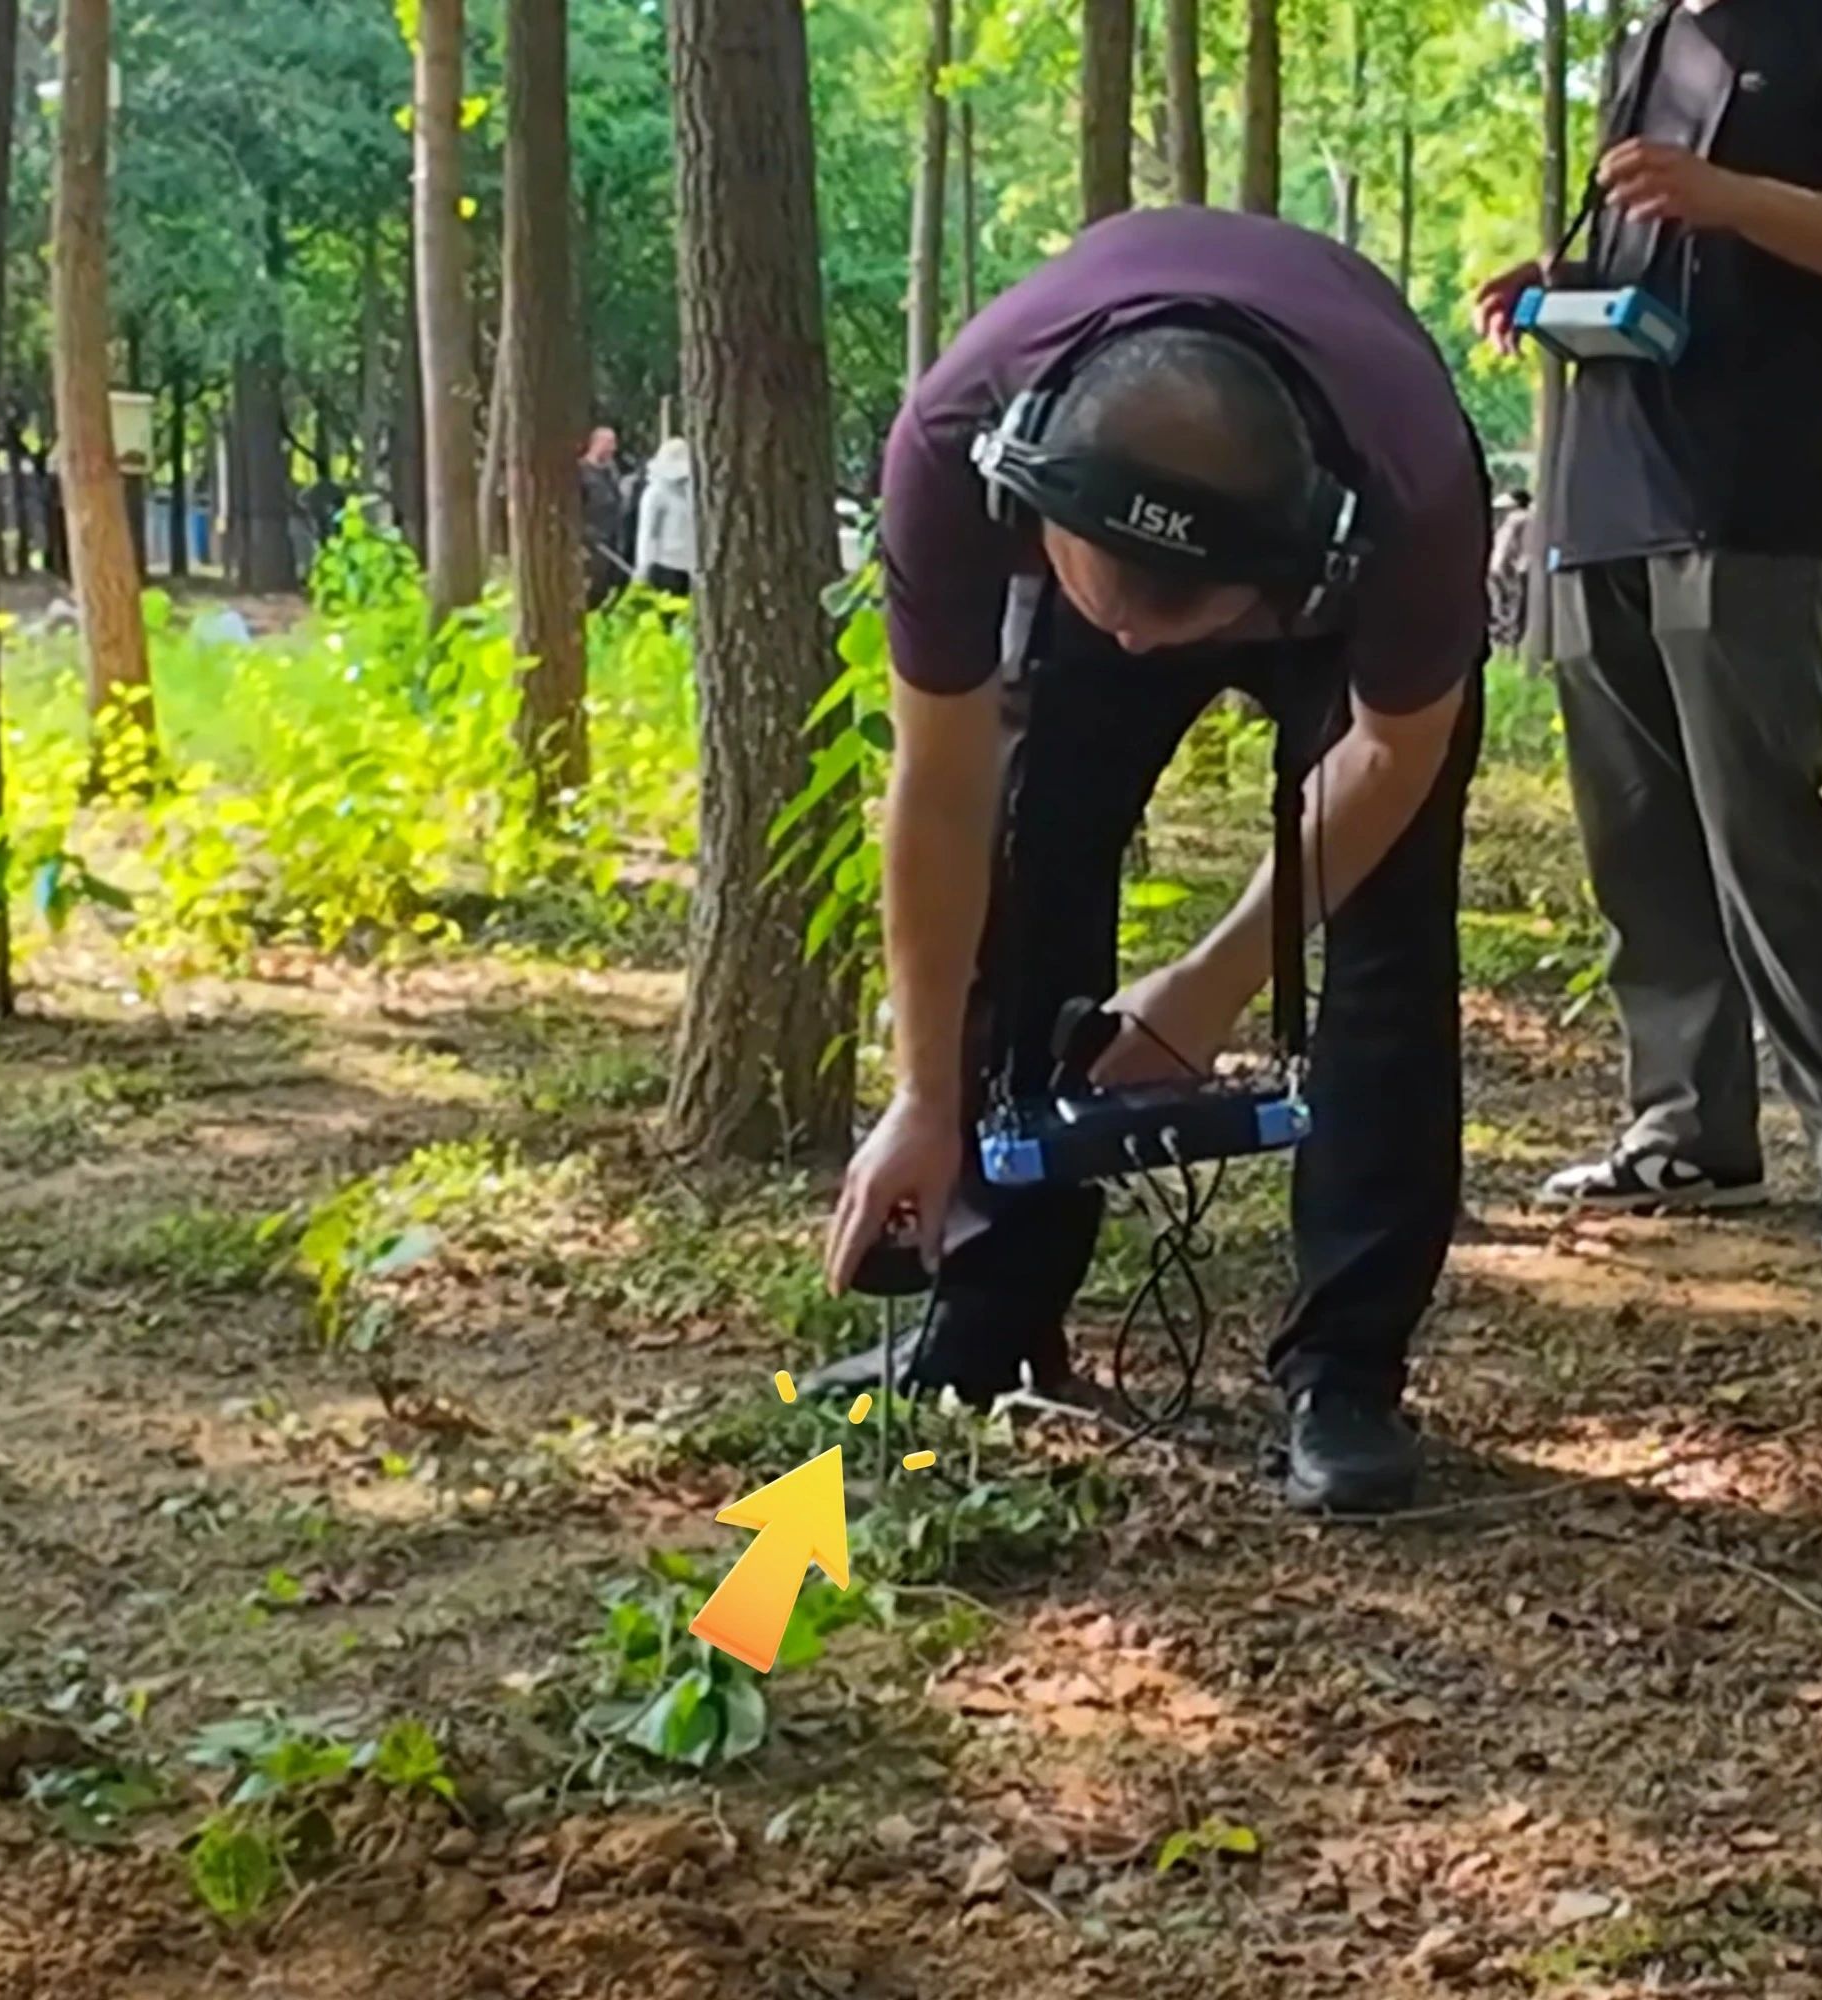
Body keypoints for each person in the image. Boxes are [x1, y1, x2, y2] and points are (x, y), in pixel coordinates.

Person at [818, 206, 1490, 1516]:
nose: (1138, 645)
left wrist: (1210, 984)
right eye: (1109, 602)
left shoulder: (1410, 491)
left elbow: (1390, 752)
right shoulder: (952, 443)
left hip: (1327, 570)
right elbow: (941, 791)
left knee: (1386, 932)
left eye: (1178, 619)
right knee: (1027, 860)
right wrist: (920, 1095)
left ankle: (1346, 1370)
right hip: (1117, 518)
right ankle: (990, 1308)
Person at [1472, 0, 1822, 1261]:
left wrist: (1731, 197)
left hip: (1745, 497)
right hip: (1597, 491)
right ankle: (1686, 1128)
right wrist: (1558, 289)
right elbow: (1663, 250)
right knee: (1635, 833)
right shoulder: (1648, 40)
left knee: (1763, 830)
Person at [633, 434, 696, 596]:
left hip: (689, 567)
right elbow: (647, 533)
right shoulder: (655, 494)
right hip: (664, 566)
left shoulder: (690, 492)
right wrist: (643, 566)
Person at [577, 425, 632, 607]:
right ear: (595, 443)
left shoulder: (611, 473)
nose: (613, 448)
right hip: (592, 543)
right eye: (608, 443)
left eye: (614, 443)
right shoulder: (581, 472)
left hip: (612, 540)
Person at [1486, 488, 1534, 651]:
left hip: (1503, 566)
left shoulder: (1516, 519)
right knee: (1513, 602)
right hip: (1510, 566)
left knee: (1503, 601)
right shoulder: (1524, 518)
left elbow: (1505, 546)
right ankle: (1509, 637)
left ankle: (1504, 636)